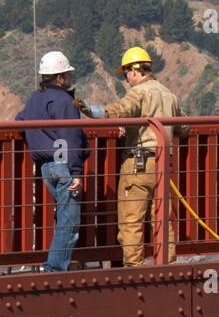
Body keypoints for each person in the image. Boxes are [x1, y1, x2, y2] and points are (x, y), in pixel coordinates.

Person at [79, 46, 187, 266]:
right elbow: (184, 127)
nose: (127, 80)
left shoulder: (139, 92)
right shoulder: (168, 94)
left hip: (138, 164)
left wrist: (92, 111)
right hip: (163, 164)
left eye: (127, 74)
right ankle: (167, 264)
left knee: (131, 220)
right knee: (161, 220)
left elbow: (120, 110)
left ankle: (134, 268)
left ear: (136, 70)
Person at [16, 50, 89, 272]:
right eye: (67, 75)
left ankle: (54, 267)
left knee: (63, 219)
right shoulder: (64, 101)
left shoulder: (34, 99)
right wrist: (77, 172)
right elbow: (72, 138)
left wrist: (39, 139)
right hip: (63, 165)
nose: (69, 78)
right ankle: (55, 270)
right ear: (60, 78)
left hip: (45, 166)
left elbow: (19, 122)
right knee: (69, 223)